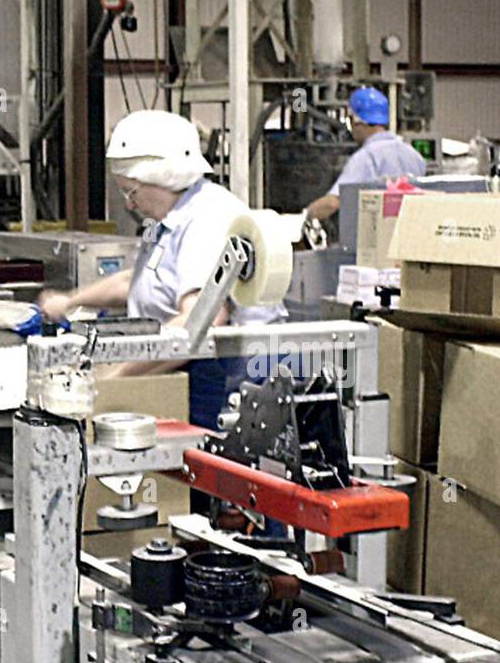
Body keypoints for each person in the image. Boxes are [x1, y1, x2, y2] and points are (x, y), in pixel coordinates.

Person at [39, 109, 286, 429]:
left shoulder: (206, 219)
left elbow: (199, 322)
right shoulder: (168, 218)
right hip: (187, 361)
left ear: (164, 179)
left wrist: (116, 377)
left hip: (227, 375)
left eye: (132, 192)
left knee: (198, 471)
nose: (128, 204)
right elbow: (136, 280)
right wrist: (69, 301)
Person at [302, 85, 427, 225]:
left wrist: (302, 217)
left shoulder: (366, 158)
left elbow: (333, 203)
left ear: (356, 121)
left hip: (376, 237)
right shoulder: (415, 156)